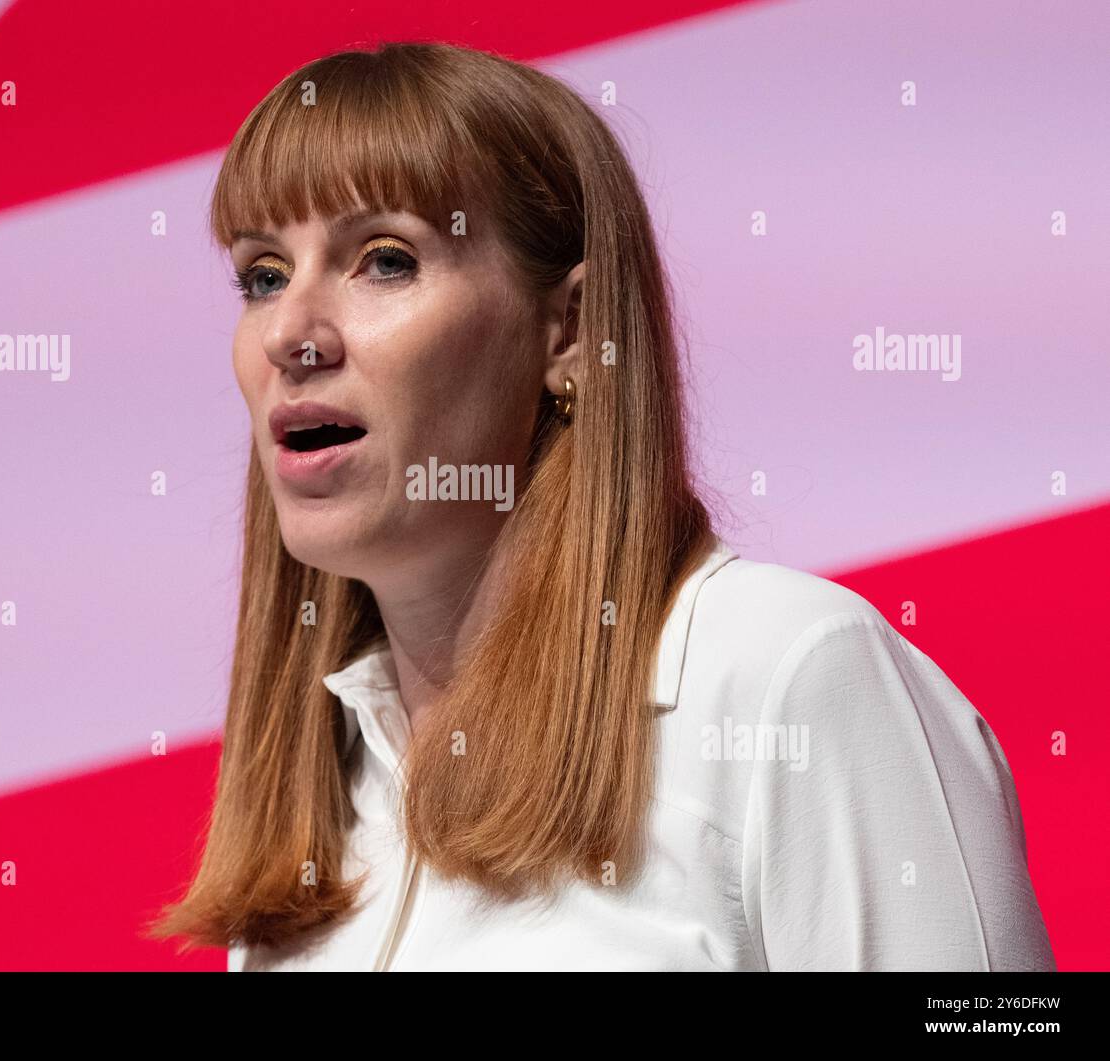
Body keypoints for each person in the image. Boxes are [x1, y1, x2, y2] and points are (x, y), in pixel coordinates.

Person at [147, 41, 1056, 971]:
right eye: (262, 275)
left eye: (384, 260)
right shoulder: (320, 819)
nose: (292, 333)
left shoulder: (786, 674)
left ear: (571, 329)